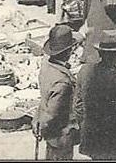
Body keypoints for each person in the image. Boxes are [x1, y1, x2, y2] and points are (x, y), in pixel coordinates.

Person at [73, 29, 116, 161]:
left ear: (99, 51)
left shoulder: (85, 71)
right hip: (115, 141)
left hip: (93, 137)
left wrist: (87, 125)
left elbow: (78, 106)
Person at [35, 24, 83, 161]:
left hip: (50, 132)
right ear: (68, 52)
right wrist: (42, 126)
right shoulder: (63, 82)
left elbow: (45, 99)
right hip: (60, 135)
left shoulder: (46, 67)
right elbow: (53, 112)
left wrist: (37, 121)